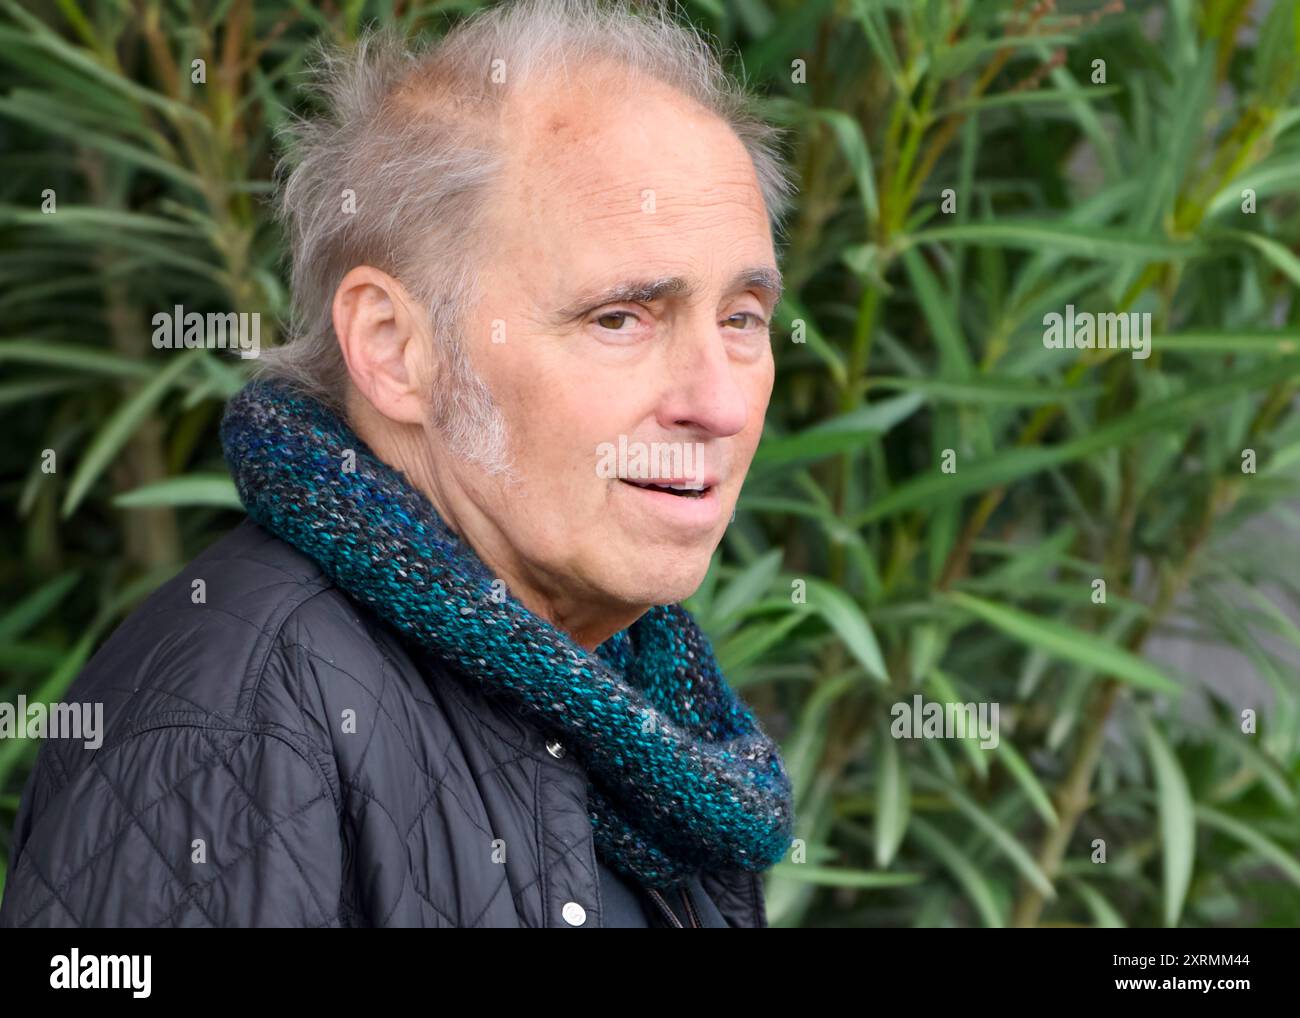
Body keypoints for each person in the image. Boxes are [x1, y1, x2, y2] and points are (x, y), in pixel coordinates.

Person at [0, 0, 796, 928]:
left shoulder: (653, 719)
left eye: (742, 318)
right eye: (619, 318)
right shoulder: (235, 721)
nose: (722, 402)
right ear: (393, 348)